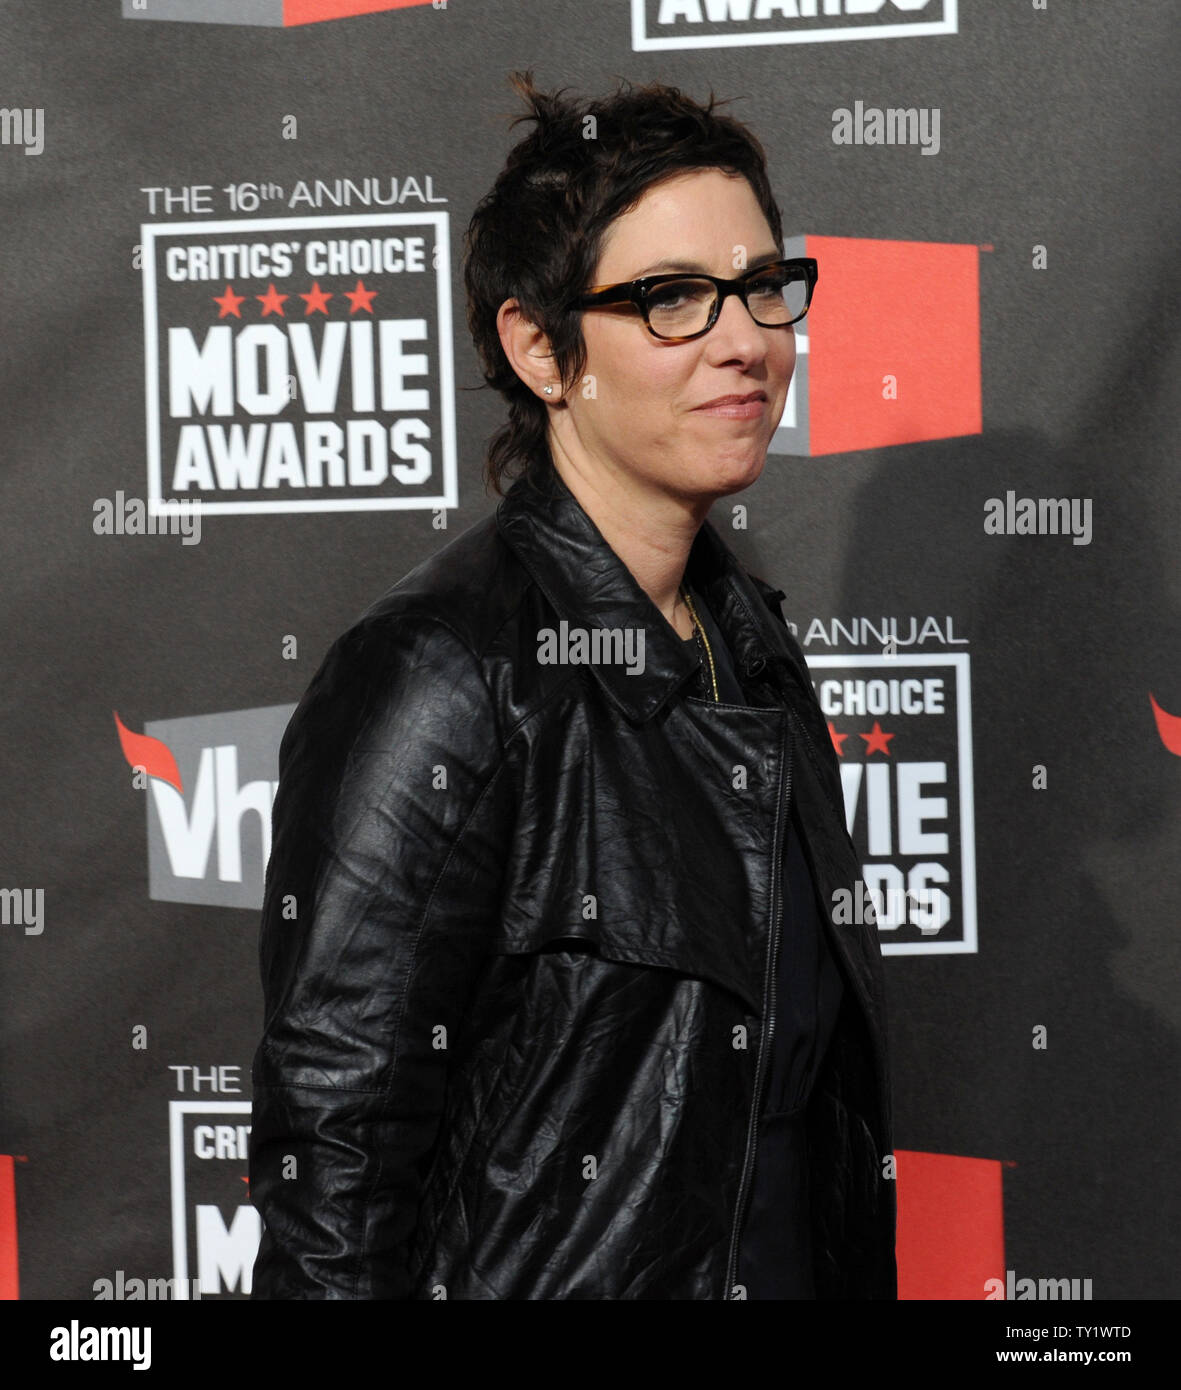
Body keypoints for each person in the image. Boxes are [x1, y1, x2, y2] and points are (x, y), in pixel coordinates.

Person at [248, 70, 896, 1301]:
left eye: (764, 286)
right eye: (669, 299)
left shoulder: (749, 647)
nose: (744, 339)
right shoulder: (441, 675)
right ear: (539, 348)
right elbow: (332, 1179)